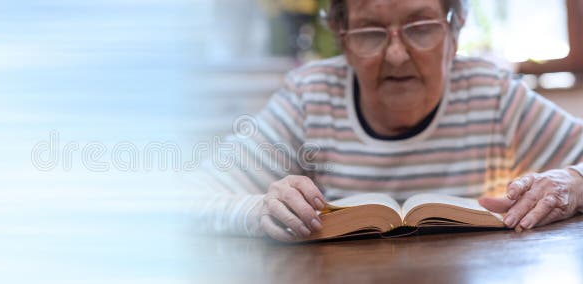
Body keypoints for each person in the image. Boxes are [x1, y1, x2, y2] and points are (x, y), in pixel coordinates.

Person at [196, 0, 583, 242]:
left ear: (455, 30)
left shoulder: (492, 94)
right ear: (343, 39)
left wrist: (573, 183)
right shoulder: (310, 97)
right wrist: (260, 210)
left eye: (421, 27)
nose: (397, 55)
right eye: (370, 32)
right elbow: (189, 196)